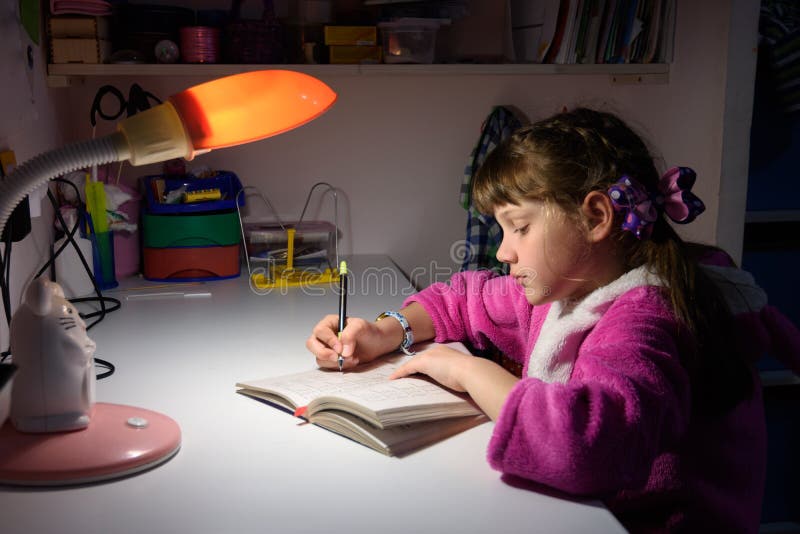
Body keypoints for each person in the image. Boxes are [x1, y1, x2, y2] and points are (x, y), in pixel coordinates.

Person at [306, 108, 800, 532]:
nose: (504, 251)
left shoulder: (648, 320)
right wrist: (385, 331)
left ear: (596, 217)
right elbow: (461, 297)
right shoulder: (567, 285)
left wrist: (468, 371)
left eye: (519, 227)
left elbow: (584, 447)